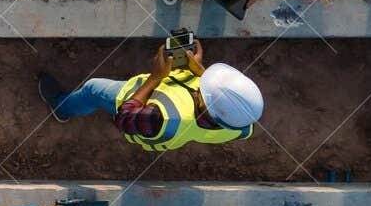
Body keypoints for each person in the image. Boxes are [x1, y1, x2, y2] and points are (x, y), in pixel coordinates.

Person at [38, 39, 262, 151]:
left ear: (206, 103)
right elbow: (227, 109)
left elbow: (125, 119)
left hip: (135, 110)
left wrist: (155, 77)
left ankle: (62, 108)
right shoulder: (241, 123)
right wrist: (200, 71)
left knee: (93, 88)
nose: (207, 81)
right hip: (165, 117)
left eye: (209, 87)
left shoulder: (165, 119)